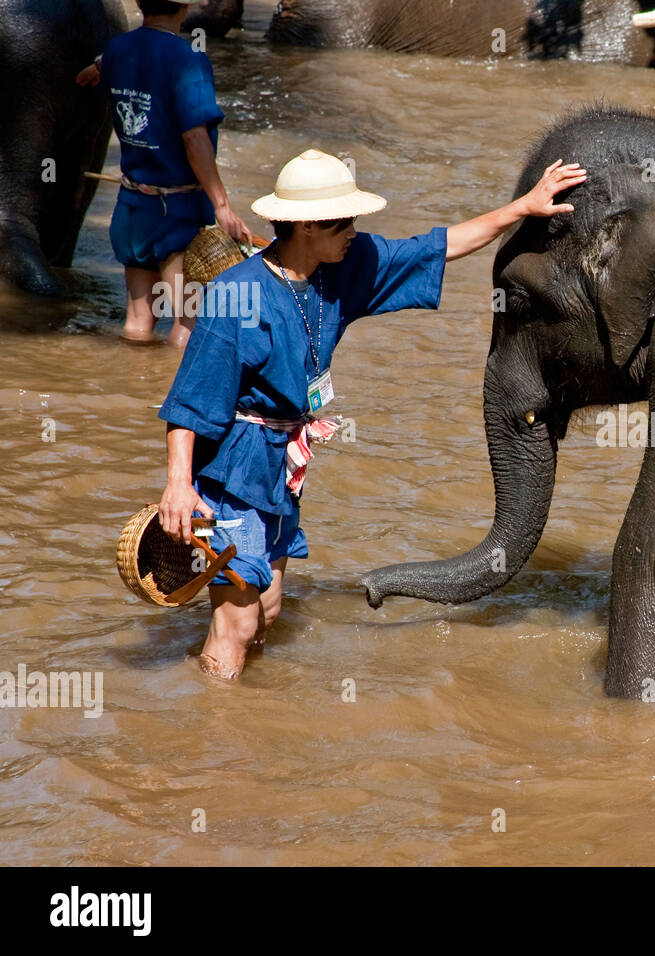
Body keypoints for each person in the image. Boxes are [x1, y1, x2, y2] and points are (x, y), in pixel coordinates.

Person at [157, 148, 586, 680]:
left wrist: (522, 207)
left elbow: (439, 247)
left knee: (267, 611)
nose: (355, 231)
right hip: (233, 467)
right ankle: (212, 742)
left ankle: (247, 731)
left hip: (285, 461)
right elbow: (190, 402)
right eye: (345, 222)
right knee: (237, 624)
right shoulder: (236, 297)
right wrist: (179, 485)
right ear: (307, 226)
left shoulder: (345, 266)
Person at [77, 0, 251, 348]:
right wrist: (221, 206)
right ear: (184, 8)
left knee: (138, 321)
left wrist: (100, 67)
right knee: (190, 322)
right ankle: (171, 399)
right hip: (177, 211)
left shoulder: (117, 49)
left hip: (131, 206)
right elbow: (194, 136)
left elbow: (87, 75)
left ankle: (134, 391)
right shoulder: (188, 61)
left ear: (140, 3)